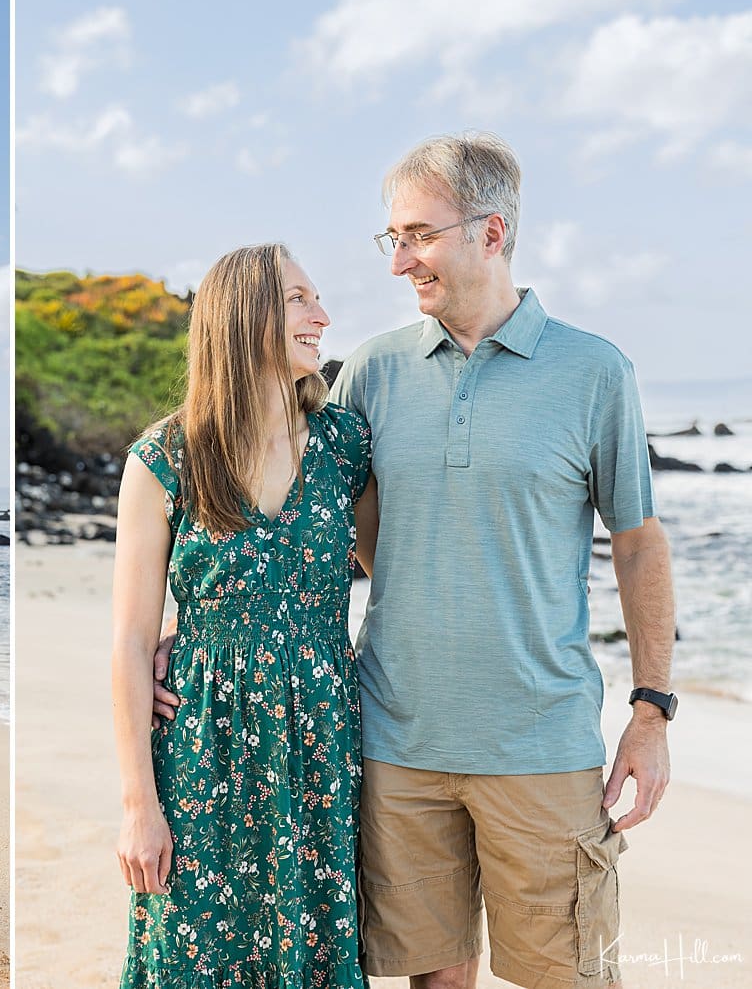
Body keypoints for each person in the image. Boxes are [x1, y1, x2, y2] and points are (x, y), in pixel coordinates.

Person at [155, 133, 676, 989]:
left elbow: (638, 542)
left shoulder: (595, 372)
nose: (399, 261)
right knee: (434, 978)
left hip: (541, 745)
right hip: (394, 743)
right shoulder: (370, 372)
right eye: (390, 238)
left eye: (418, 236)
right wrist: (185, 635)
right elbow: (285, 514)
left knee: (570, 977)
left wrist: (651, 712)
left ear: (492, 233)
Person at [113, 245, 371, 988]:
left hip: (319, 747)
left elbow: (396, 578)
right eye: (299, 299)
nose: (321, 316)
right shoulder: (166, 455)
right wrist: (138, 805)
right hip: (200, 750)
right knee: (191, 957)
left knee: (311, 956)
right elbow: (130, 642)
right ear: (242, 312)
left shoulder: (345, 446)